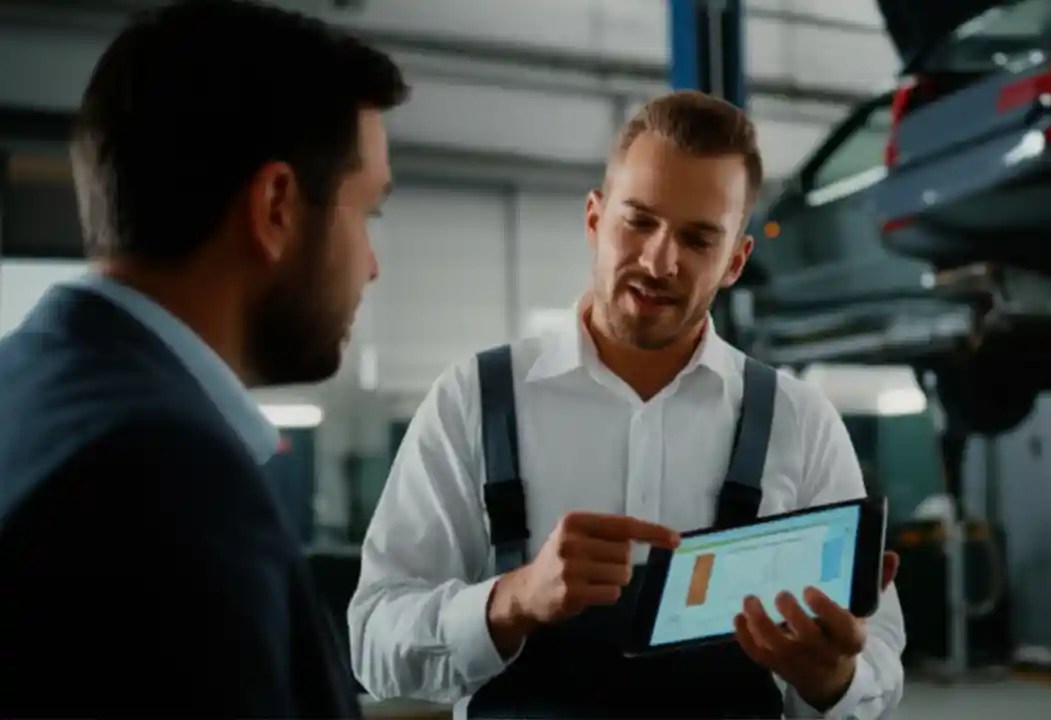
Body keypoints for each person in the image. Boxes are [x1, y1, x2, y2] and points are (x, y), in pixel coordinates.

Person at [349, 91, 907, 718]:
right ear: (594, 218)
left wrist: (832, 678)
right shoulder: (475, 400)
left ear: (734, 262)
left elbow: (878, 659)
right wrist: (514, 600)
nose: (659, 261)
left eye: (699, 239)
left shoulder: (800, 425)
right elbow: (373, 639)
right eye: (639, 221)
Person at [0, 0, 407, 716]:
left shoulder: (28, 390)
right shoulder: (166, 477)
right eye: (365, 213)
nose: (372, 266)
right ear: (277, 205)